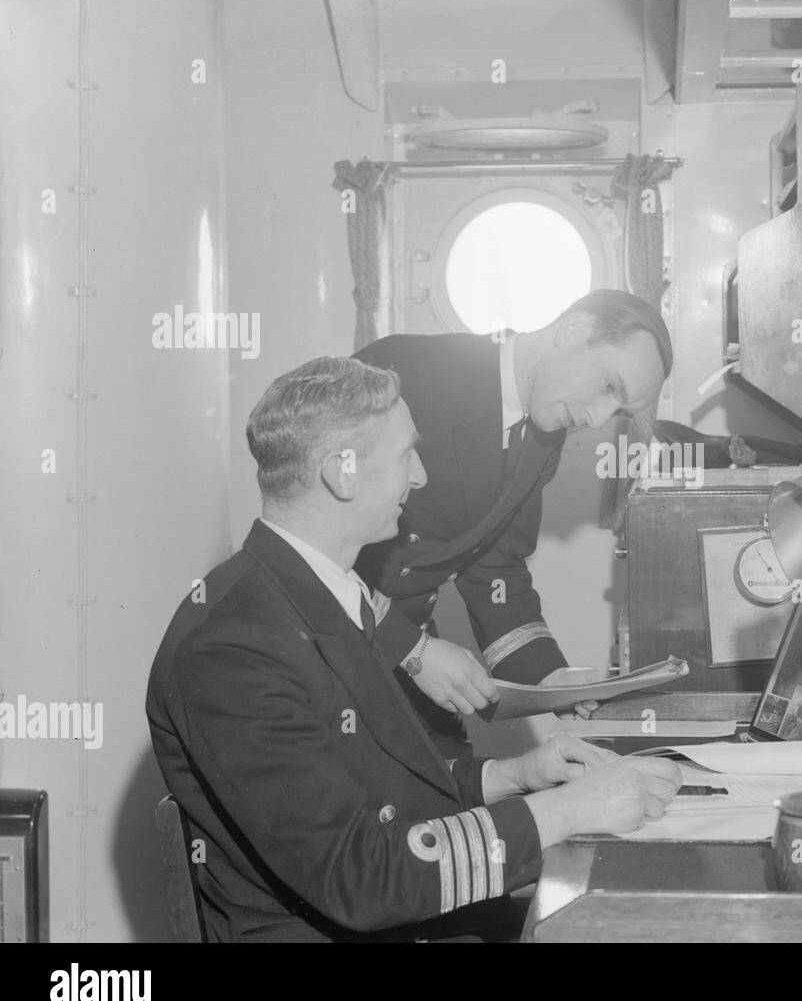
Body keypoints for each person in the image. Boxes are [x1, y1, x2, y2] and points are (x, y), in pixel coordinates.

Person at [146, 357, 681, 942]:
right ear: (342, 474)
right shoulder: (232, 648)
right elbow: (361, 879)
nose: (421, 477)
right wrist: (569, 812)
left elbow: (384, 797)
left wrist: (515, 774)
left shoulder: (327, 598)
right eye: (406, 454)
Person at [353, 289, 672, 758]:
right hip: (332, 642)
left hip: (407, 646)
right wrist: (412, 651)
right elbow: (312, 548)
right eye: (609, 386)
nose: (600, 419)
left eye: (619, 413)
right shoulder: (402, 369)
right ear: (572, 331)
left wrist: (552, 679)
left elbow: (494, 565)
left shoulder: (542, 437)